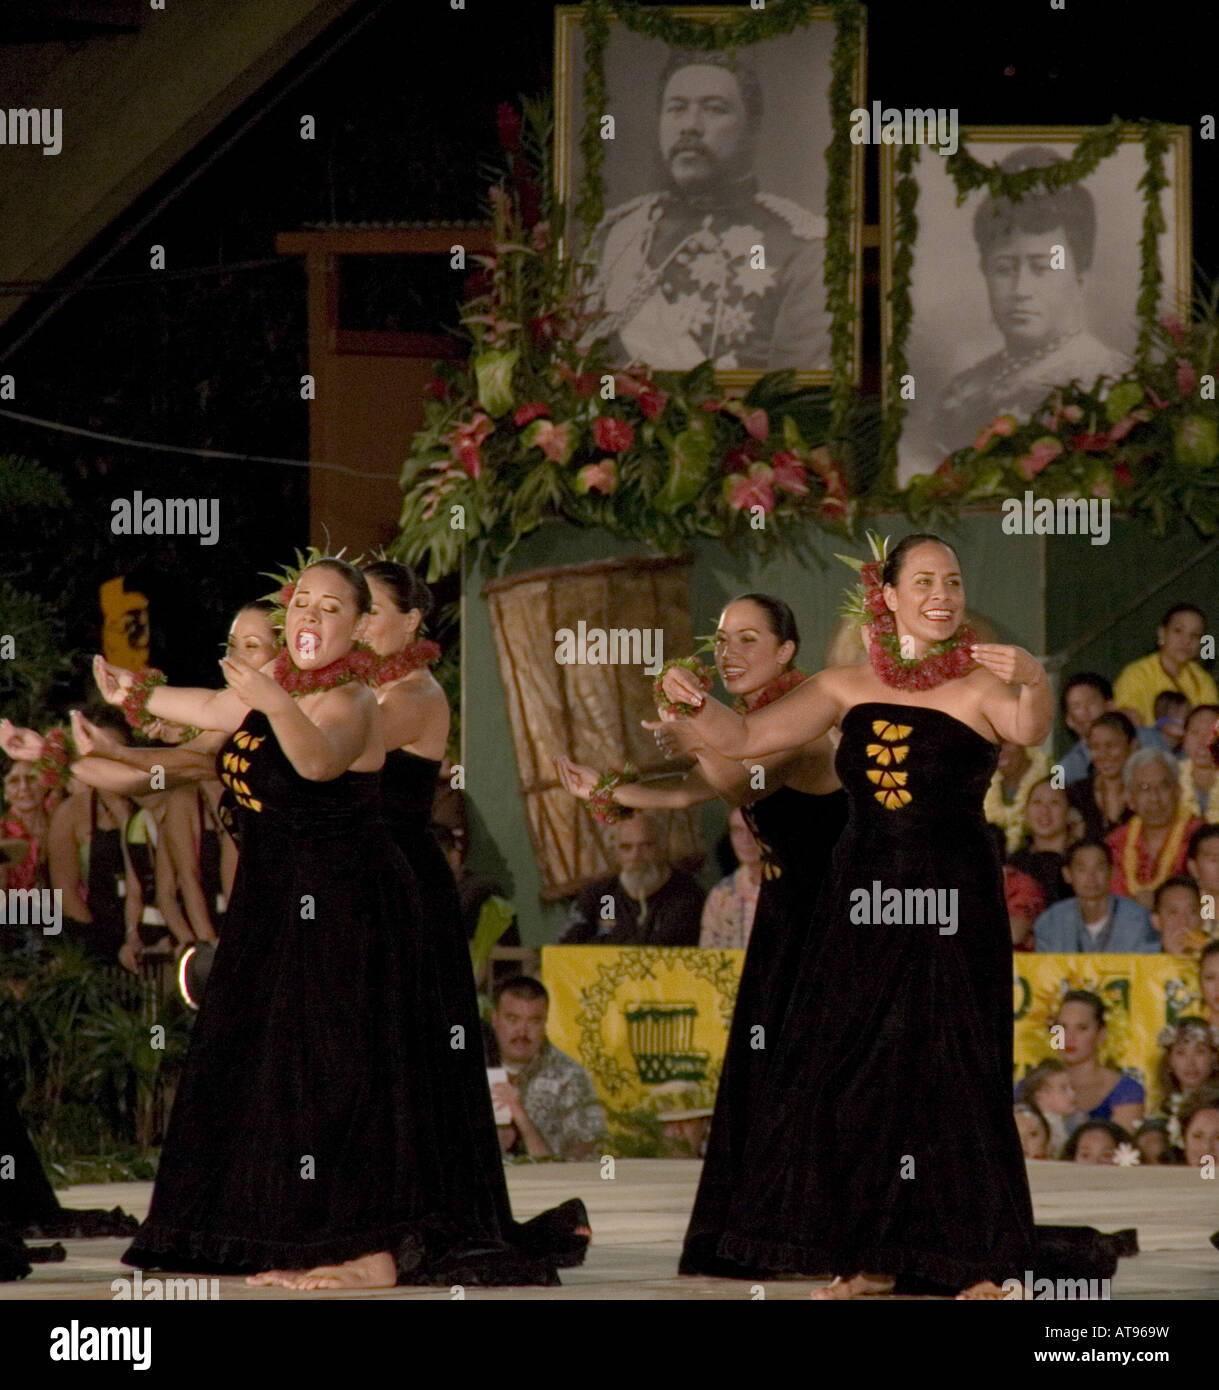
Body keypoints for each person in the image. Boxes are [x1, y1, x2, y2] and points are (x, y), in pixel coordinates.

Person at [97, 557, 580, 1290]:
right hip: (289, 897)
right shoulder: (304, 687)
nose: (310, 620)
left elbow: (318, 761)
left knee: (354, 1072)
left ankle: (371, 1246)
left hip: (360, 900)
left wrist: (265, 697)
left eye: (337, 609)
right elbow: (213, 713)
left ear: (369, 627)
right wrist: (139, 694)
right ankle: (300, 1233)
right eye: (303, 605)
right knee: (290, 1071)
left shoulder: (374, 696)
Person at [657, 532, 1056, 1298]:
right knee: (856, 1073)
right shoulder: (845, 684)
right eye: (925, 582)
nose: (942, 595)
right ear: (890, 595)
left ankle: (975, 1262)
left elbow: (1029, 727)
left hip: (949, 903)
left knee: (953, 1070)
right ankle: (868, 1257)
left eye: (952, 580)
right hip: (862, 898)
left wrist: (1033, 678)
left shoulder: (977, 686)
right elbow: (742, 739)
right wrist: (692, 703)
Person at [557, 592, 849, 1277]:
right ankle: (771, 1229)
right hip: (785, 915)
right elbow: (694, 791)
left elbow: (734, 778)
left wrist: (687, 721)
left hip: (832, 922)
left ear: (786, 652)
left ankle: (819, 1234)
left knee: (810, 1075)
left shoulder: (804, 721)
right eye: (722, 640)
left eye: (750, 639)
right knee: (767, 1073)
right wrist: (608, 789)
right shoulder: (746, 721)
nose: (729, 652)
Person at [579, 48, 829, 373]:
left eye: (714, 109)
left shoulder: (800, 247)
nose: (690, 126)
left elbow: (800, 394)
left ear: (751, 128)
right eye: (676, 109)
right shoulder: (619, 236)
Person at [931, 148, 1130, 466]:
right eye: (1004, 268)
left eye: (1041, 268)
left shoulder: (1111, 382)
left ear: (1080, 279)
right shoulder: (962, 391)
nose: (1021, 290)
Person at [486, 976, 605, 1161]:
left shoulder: (569, 1076)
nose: (522, 1032)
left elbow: (585, 1160)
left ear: (545, 1023)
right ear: (495, 1019)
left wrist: (520, 1117)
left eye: (533, 1021)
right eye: (512, 1019)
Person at [559, 812, 704, 945]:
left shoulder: (687, 895)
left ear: (663, 846)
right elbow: (567, 947)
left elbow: (662, 949)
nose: (636, 856)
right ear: (617, 852)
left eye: (646, 846)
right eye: (626, 847)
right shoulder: (602, 895)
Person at [1106, 749, 1203, 908]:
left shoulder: (1200, 838)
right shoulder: (1114, 843)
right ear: (1130, 798)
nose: (1155, 798)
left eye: (1163, 787)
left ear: (1178, 792)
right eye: (1144, 788)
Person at [1032, 839, 1157, 952]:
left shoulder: (1139, 920)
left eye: (1099, 868)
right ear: (1067, 875)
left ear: (1112, 873)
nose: (1091, 878)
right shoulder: (1050, 922)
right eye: (1082, 870)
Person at [1053, 990, 1144, 1133]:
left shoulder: (1126, 1091)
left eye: (1081, 1028)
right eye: (1062, 1027)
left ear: (1101, 1034)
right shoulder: (1031, 1087)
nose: (1068, 1037)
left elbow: (1122, 1150)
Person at [1113, 604, 1218, 728]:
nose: (1187, 640)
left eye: (1195, 635)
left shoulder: (1202, 680)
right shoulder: (1136, 675)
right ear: (1162, 634)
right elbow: (1129, 726)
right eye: (1178, 631)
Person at [1057, 673, 1164, 786]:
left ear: (1110, 707)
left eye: (1091, 703)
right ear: (1069, 721)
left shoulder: (1149, 738)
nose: (1085, 712)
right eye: (1076, 707)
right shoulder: (1065, 768)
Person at [699, 808, 763, 948]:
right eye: (738, 830)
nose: (746, 839)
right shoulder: (721, 894)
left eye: (754, 830)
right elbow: (708, 955)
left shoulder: (789, 891)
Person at [1067, 712, 1135, 841]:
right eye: (1095, 747)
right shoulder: (1077, 794)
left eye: (1111, 746)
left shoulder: (1145, 793)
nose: (1104, 755)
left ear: (1131, 746)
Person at [1007, 778, 1074, 907]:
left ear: (1069, 813)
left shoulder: (1081, 858)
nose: (1044, 811)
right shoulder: (1015, 863)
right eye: (1037, 802)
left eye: (1054, 803)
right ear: (1026, 812)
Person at [1179, 705, 1219, 823]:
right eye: (1195, 733)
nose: (1202, 742)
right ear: (1184, 739)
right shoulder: (1169, 777)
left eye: (1212, 734)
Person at [1150, 875, 1208, 956]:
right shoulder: (1141, 961)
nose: (1184, 922)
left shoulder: (1213, 958)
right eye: (1173, 913)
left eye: (1192, 912)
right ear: (1156, 921)